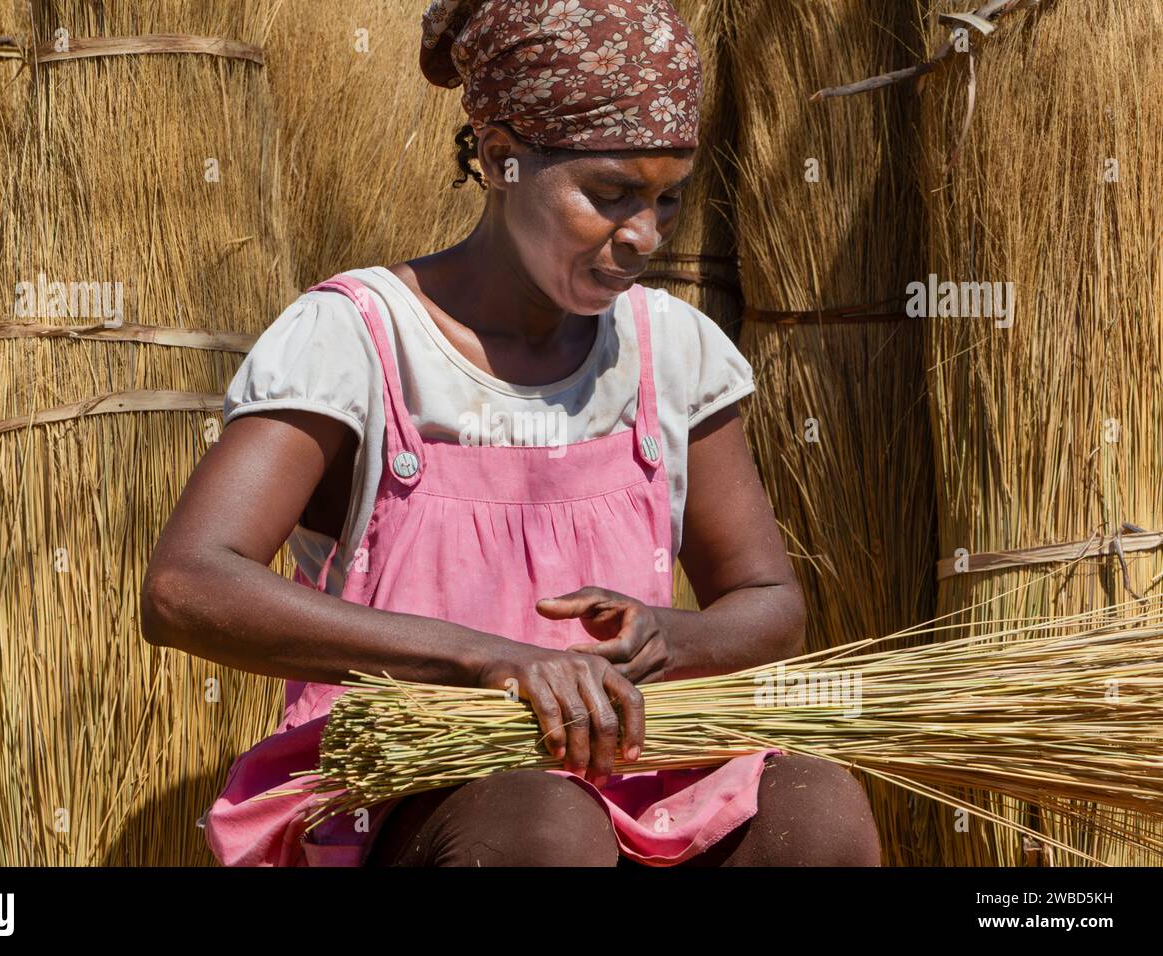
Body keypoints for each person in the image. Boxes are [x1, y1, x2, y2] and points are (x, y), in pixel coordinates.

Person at [141, 0, 880, 867]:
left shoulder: (671, 352)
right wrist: (492, 661)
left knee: (819, 813)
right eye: (609, 195)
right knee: (542, 829)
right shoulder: (361, 340)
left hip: (631, 775)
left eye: (668, 200)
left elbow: (769, 603)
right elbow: (188, 587)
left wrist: (669, 637)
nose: (643, 235)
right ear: (502, 160)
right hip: (407, 790)